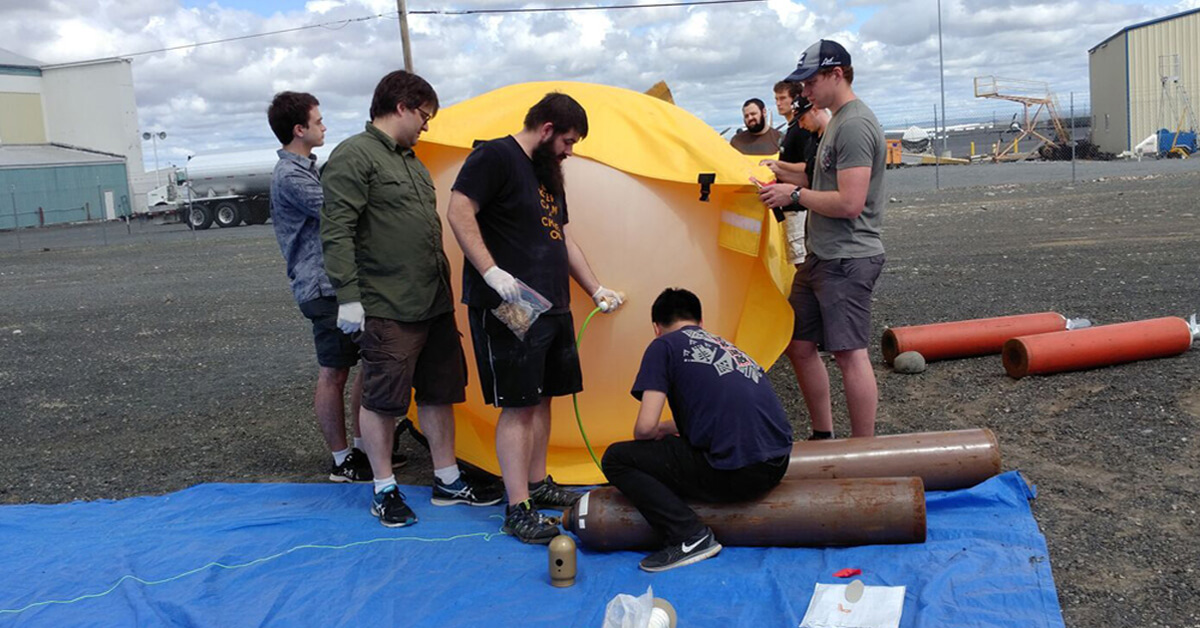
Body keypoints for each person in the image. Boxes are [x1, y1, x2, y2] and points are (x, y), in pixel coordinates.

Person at [320, 71, 502, 528]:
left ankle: (447, 478)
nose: (426, 125)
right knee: (383, 399)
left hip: (433, 301)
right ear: (401, 105)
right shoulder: (353, 157)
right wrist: (348, 298)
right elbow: (336, 230)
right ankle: (384, 488)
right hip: (387, 303)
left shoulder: (412, 161)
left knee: (441, 391)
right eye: (424, 115)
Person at [446, 93, 625, 545]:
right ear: (546, 129)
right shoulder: (494, 156)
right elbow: (458, 209)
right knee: (519, 404)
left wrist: (595, 288)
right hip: (510, 306)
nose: (570, 150)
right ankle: (517, 506)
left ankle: (538, 481)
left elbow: (560, 237)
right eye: (567, 141)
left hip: (552, 306)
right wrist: (490, 271)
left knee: (544, 398)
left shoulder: (548, 173)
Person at [601, 288, 792, 572]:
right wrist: (666, 430)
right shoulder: (723, 345)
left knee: (617, 458)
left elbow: (644, 428)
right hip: (777, 463)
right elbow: (714, 411)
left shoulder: (663, 346)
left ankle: (688, 536)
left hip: (738, 473)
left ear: (656, 327)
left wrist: (655, 433)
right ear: (700, 323)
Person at [268, 91, 405, 483]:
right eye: (318, 120)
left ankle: (364, 449)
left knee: (368, 362)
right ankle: (342, 460)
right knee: (334, 372)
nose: (324, 126)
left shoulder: (310, 168)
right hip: (322, 287)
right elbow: (339, 208)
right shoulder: (292, 176)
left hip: (341, 285)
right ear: (300, 129)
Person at [758, 39, 887, 440]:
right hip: (821, 257)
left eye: (810, 82)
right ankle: (823, 435)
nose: (804, 92)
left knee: (849, 353)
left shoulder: (854, 126)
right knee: (799, 344)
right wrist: (773, 169)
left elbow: (850, 202)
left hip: (848, 258)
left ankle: (863, 449)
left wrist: (793, 196)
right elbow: (818, 177)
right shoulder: (834, 124)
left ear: (836, 75)